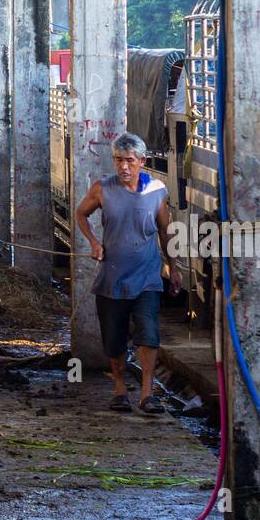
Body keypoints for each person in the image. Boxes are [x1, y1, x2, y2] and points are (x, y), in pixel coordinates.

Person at [74, 132, 180, 416]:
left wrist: (173, 266)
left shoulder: (157, 191)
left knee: (149, 333)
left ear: (142, 161)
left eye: (130, 161)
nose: (123, 166)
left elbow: (165, 230)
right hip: (112, 279)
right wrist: (94, 242)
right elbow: (80, 213)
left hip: (147, 277)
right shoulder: (102, 189)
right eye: (119, 160)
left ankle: (147, 394)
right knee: (114, 338)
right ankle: (120, 390)